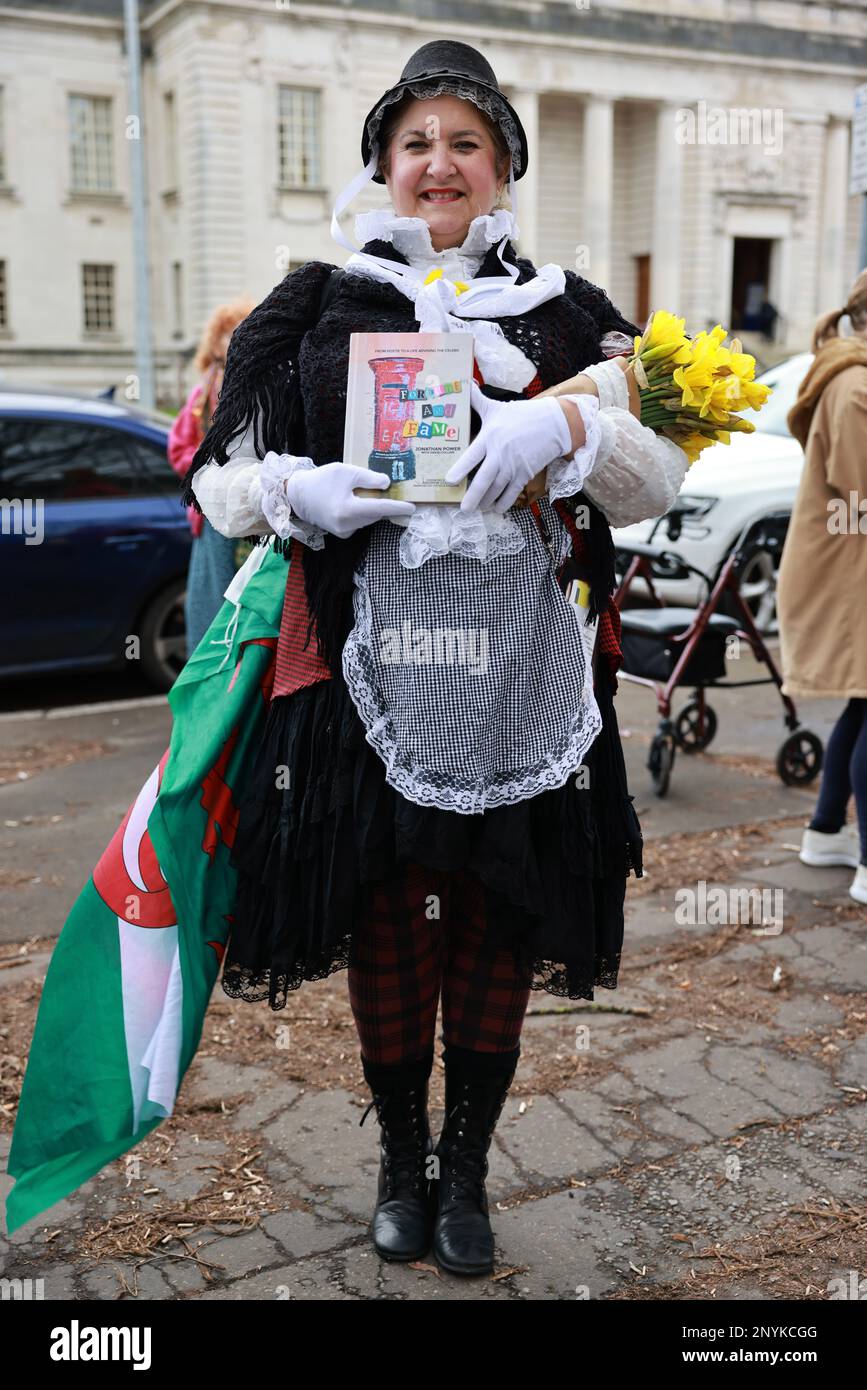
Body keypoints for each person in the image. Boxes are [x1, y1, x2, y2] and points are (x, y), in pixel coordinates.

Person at [180, 39, 689, 1278]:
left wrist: (565, 421)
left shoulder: (570, 313)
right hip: (369, 683)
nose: (438, 163)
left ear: (503, 165)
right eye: (416, 142)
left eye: (465, 141)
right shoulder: (318, 298)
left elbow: (663, 474)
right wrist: (307, 490)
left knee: (496, 925)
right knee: (393, 927)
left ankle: (467, 1174)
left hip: (526, 683)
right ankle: (401, 1164)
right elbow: (218, 479)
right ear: (384, 166)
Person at [778, 269, 867, 906]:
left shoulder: (849, 377)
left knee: (861, 706)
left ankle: (828, 831)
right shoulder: (856, 386)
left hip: (847, 572)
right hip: (850, 577)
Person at [168, 299, 255, 651]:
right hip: (211, 513)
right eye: (227, 333)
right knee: (212, 604)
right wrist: (211, 466)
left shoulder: (262, 384)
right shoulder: (203, 393)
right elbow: (179, 449)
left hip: (254, 508)